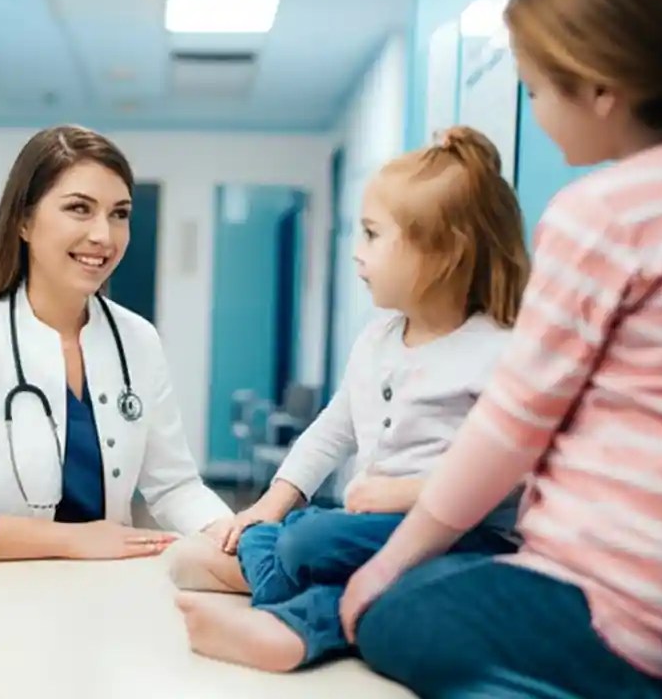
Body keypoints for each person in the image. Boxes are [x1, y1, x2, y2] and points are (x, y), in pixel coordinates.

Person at [339, 0, 662, 697]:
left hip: (598, 597)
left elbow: (512, 426)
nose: (534, 111)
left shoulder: (600, 211)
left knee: (389, 614)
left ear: (597, 87)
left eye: (533, 91)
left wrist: (389, 566)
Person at [166, 126, 531, 672]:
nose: (356, 253)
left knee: (307, 541)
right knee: (249, 542)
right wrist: (268, 506)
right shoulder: (377, 340)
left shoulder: (496, 351)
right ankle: (294, 602)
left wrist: (401, 494)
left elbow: (514, 474)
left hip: (461, 538)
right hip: (370, 530)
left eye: (371, 235)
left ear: (444, 253)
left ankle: (291, 617)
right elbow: (332, 431)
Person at [0, 125, 234, 563]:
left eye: (119, 213)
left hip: (107, 591)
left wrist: (230, 533)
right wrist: (68, 540)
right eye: (80, 209)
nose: (104, 235)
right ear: (23, 221)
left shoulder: (137, 340)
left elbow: (174, 485)